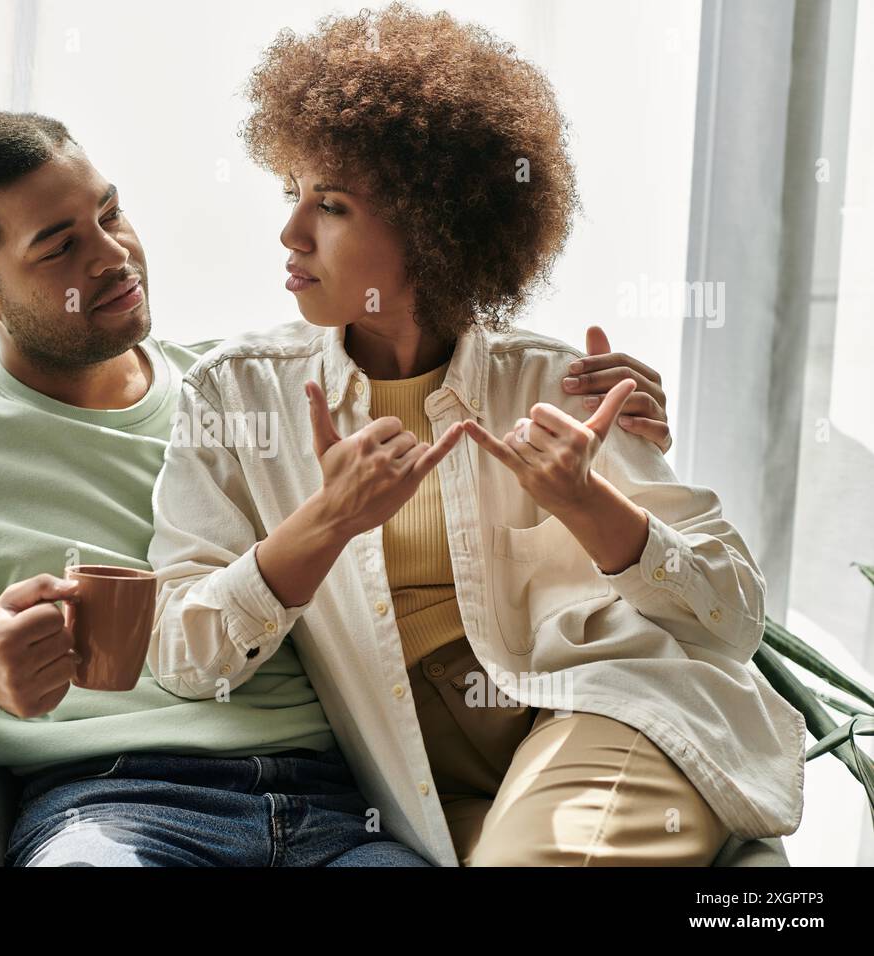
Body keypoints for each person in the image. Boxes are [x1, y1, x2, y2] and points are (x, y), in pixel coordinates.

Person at [0, 106, 677, 867]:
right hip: (115, 809)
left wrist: (606, 415)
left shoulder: (255, 390)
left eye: (111, 214)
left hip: (344, 810)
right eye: (58, 247)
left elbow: (457, 403)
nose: (112, 256)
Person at [147, 4, 805, 866]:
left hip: (605, 703)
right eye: (291, 193)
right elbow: (183, 656)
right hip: (413, 771)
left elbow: (733, 619)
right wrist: (327, 523)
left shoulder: (562, 384)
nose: (290, 232)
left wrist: (589, 504)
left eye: (332, 204)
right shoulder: (236, 394)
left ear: (432, 224)